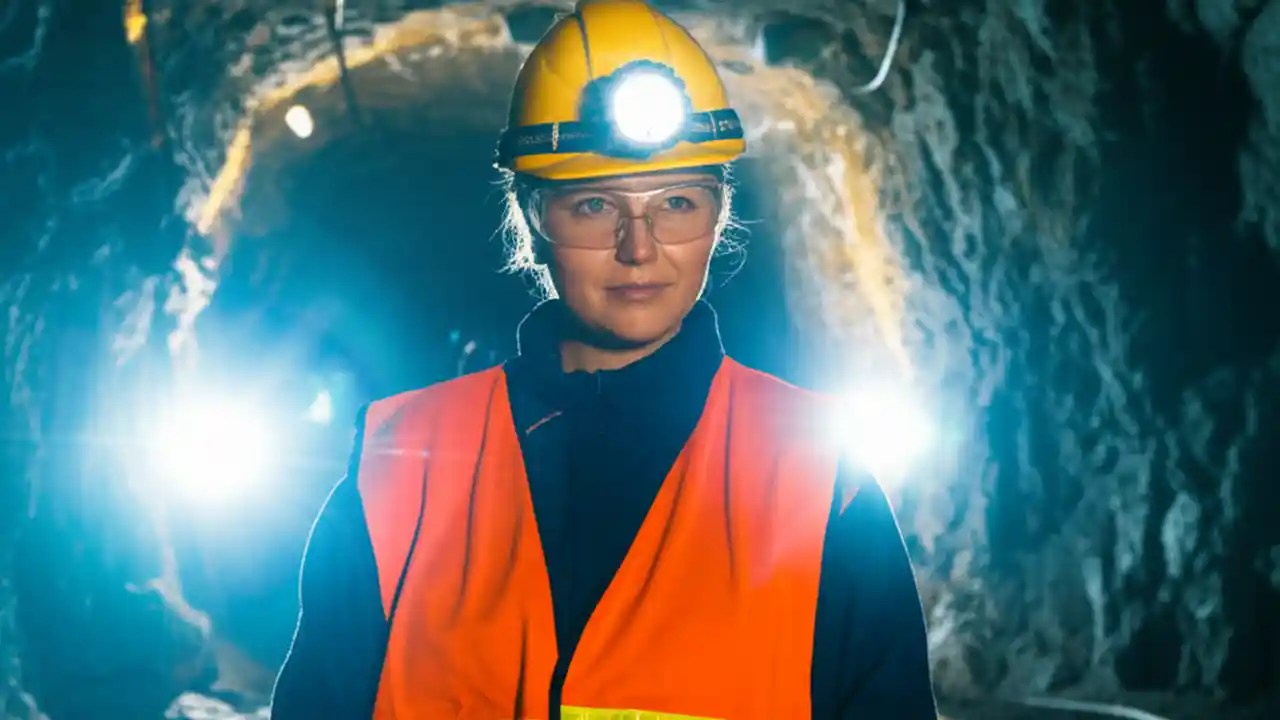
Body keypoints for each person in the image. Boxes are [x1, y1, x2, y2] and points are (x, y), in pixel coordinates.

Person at [271, 1, 937, 718]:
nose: (640, 247)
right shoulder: (398, 465)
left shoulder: (818, 470)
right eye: (593, 206)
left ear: (718, 216)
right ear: (532, 215)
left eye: (677, 202)